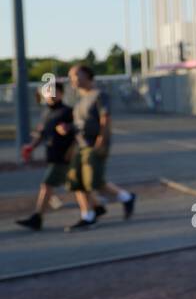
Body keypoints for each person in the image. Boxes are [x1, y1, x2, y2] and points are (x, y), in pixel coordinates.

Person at [64, 64, 136, 232]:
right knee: (77, 182)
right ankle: (88, 216)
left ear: (87, 76)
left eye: (75, 75)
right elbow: (79, 125)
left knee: (93, 182)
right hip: (80, 146)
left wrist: (101, 141)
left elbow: (105, 119)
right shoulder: (79, 100)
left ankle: (126, 197)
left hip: (93, 145)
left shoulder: (99, 95)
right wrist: (69, 131)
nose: (72, 79)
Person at [15, 82, 77, 231]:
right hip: (53, 154)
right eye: (48, 92)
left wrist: (72, 150)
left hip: (63, 155)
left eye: (54, 92)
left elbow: (77, 133)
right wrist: (31, 146)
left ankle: (37, 217)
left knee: (47, 185)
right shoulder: (47, 112)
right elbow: (42, 134)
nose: (50, 96)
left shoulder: (67, 111)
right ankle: (106, 203)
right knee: (78, 186)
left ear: (61, 93)